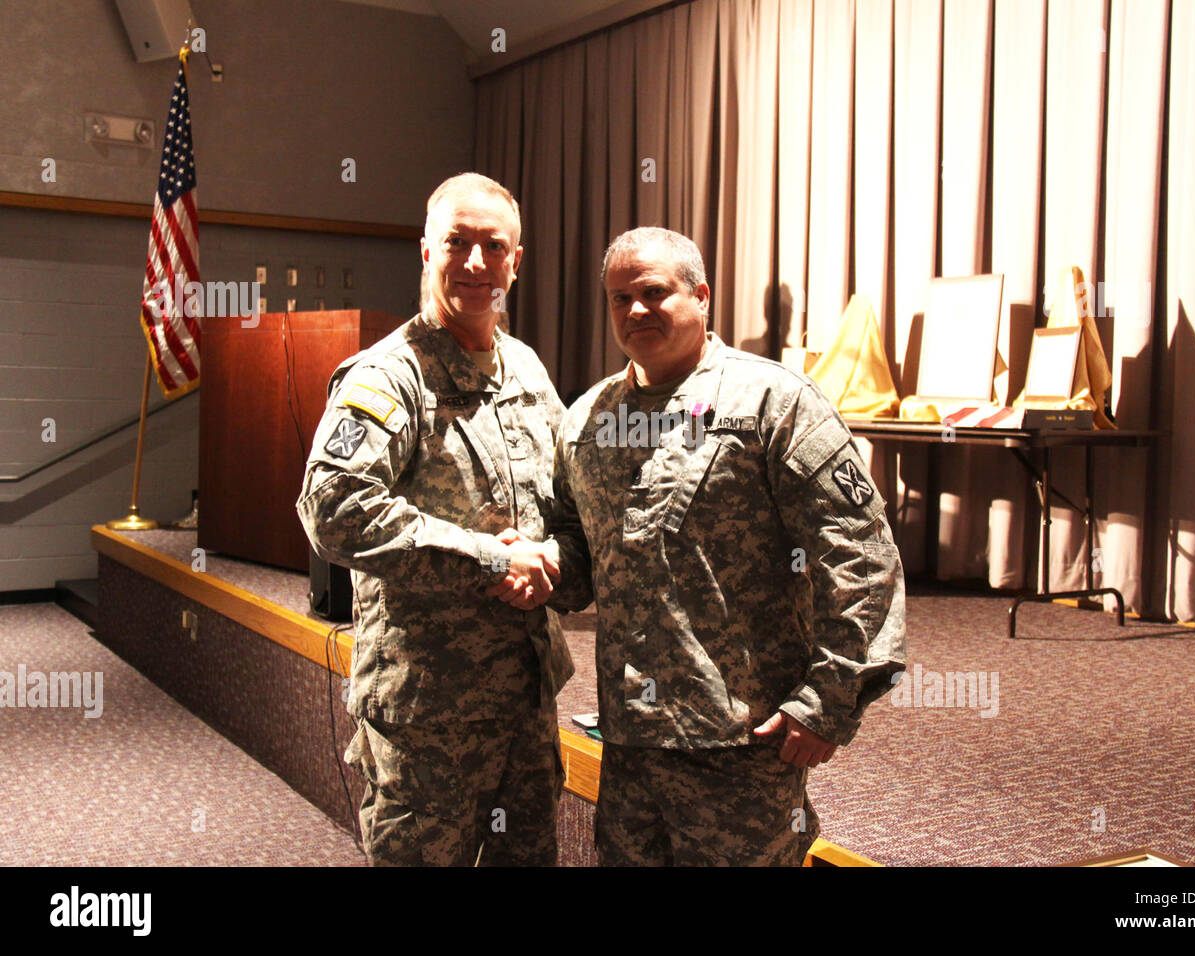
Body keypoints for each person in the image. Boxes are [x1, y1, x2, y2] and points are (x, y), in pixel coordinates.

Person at [524, 226, 906, 866]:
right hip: (630, 741)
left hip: (742, 747)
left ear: (701, 297)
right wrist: (536, 564)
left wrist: (827, 700)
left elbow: (862, 553)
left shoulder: (774, 403)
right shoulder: (588, 420)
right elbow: (579, 554)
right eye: (620, 298)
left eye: (654, 292)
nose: (636, 310)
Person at [296, 173, 588, 866]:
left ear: (517, 261)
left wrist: (551, 566)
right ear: (426, 251)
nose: (478, 263)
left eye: (496, 246)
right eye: (458, 242)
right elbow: (334, 510)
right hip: (428, 714)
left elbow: (568, 510)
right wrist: (490, 558)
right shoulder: (387, 376)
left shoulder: (526, 370)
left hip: (523, 701)